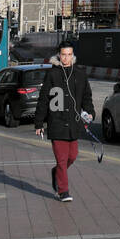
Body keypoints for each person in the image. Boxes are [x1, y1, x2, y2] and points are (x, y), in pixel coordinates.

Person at [33, 44, 95, 202]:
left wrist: (90, 113)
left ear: (73, 55)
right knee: (61, 159)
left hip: (73, 124)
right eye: (63, 54)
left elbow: (87, 97)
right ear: (59, 55)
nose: (66, 58)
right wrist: (39, 123)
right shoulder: (52, 74)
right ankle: (63, 191)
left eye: (69, 54)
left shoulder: (80, 74)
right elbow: (44, 99)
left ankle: (56, 173)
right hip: (57, 122)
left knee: (72, 157)